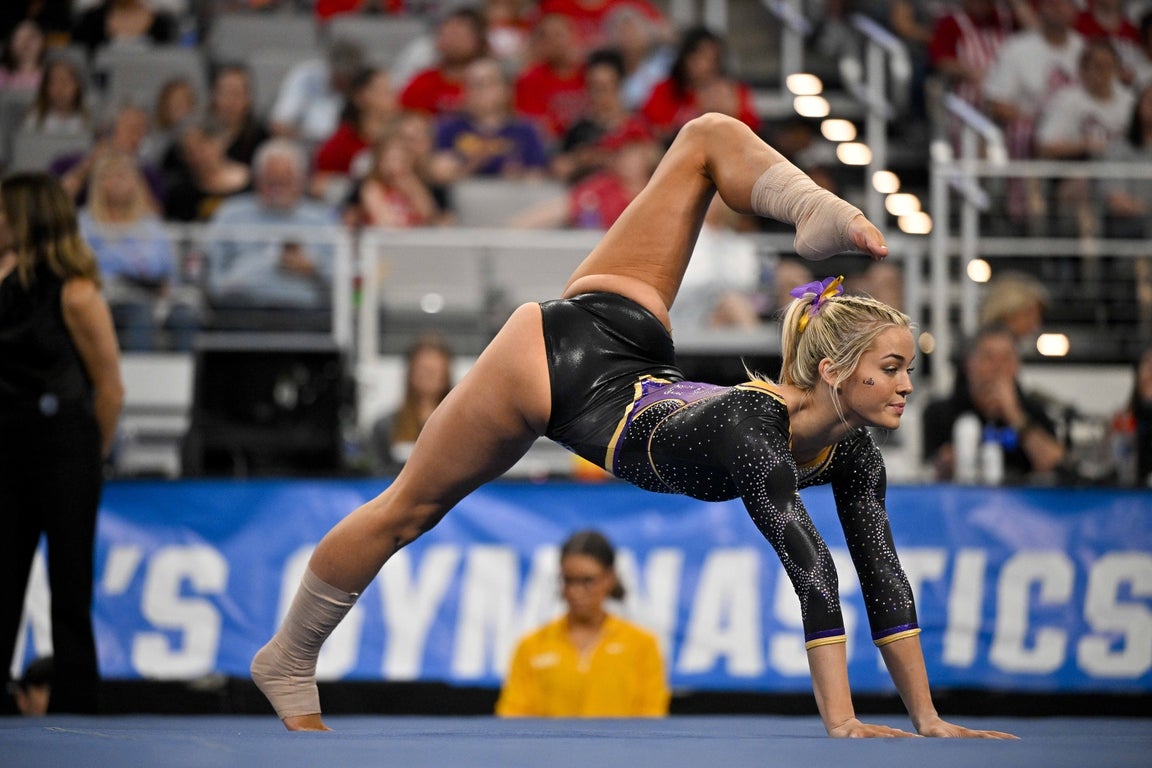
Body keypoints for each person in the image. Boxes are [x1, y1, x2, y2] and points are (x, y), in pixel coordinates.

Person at [250, 112, 1015, 740]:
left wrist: (928, 719)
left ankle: (803, 205)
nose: (908, 386)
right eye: (890, 368)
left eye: (908, 368)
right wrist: (841, 721)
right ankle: (288, 657)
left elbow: (879, 571)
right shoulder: (756, 422)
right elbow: (812, 567)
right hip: (555, 367)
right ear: (832, 370)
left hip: (636, 352)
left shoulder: (851, 453)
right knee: (408, 509)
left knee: (706, 137)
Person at [0, 172, 124, 715]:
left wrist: (89, 454)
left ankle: (78, 699)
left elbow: (110, 386)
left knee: (68, 581)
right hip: (6, 446)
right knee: (2, 574)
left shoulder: (75, 290)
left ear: (27, 217)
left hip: (65, 446)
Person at [496, 529, 669, 717]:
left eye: (588, 581)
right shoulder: (531, 646)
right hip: (549, 747)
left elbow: (651, 717)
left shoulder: (642, 645)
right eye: (569, 581)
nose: (576, 591)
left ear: (609, 578)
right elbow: (513, 717)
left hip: (622, 747)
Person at [203, 138, 337, 320]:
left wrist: (313, 269)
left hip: (304, 311)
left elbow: (340, 277)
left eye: (286, 181)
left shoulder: (321, 219)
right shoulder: (231, 214)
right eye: (272, 182)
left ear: (301, 180)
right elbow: (213, 271)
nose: (278, 189)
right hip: (244, 308)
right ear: (257, 179)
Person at [80, 151, 200, 351]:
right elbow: (84, 267)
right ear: (97, 183)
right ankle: (136, 378)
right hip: (106, 298)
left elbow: (169, 270)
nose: (118, 183)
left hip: (153, 296)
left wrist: (163, 286)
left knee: (185, 316)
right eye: (111, 176)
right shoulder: (84, 224)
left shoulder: (152, 225)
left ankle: (181, 380)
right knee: (140, 312)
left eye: (124, 177)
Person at [921, 324, 1067, 483]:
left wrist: (1015, 415)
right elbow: (925, 471)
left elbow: (1056, 465)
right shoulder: (940, 413)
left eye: (1006, 358)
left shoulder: (1034, 412)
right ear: (969, 364)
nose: (998, 367)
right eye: (988, 358)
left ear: (1017, 365)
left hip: (1022, 503)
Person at [427, 57, 550, 185]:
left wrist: (520, 176)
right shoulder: (447, 129)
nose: (479, 91)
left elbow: (538, 175)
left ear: (506, 90)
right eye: (473, 84)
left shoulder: (526, 130)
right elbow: (438, 174)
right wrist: (472, 165)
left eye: (488, 83)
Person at [368, 333, 454, 475]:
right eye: (423, 371)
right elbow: (375, 471)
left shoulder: (458, 426)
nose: (428, 377)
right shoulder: (384, 426)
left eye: (434, 372)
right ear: (411, 374)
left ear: (445, 375)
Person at [0, 19, 46, 91]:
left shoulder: (52, 76)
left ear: (42, 41)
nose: (26, 43)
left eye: (31, 36)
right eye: (18, 37)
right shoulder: (2, 75)